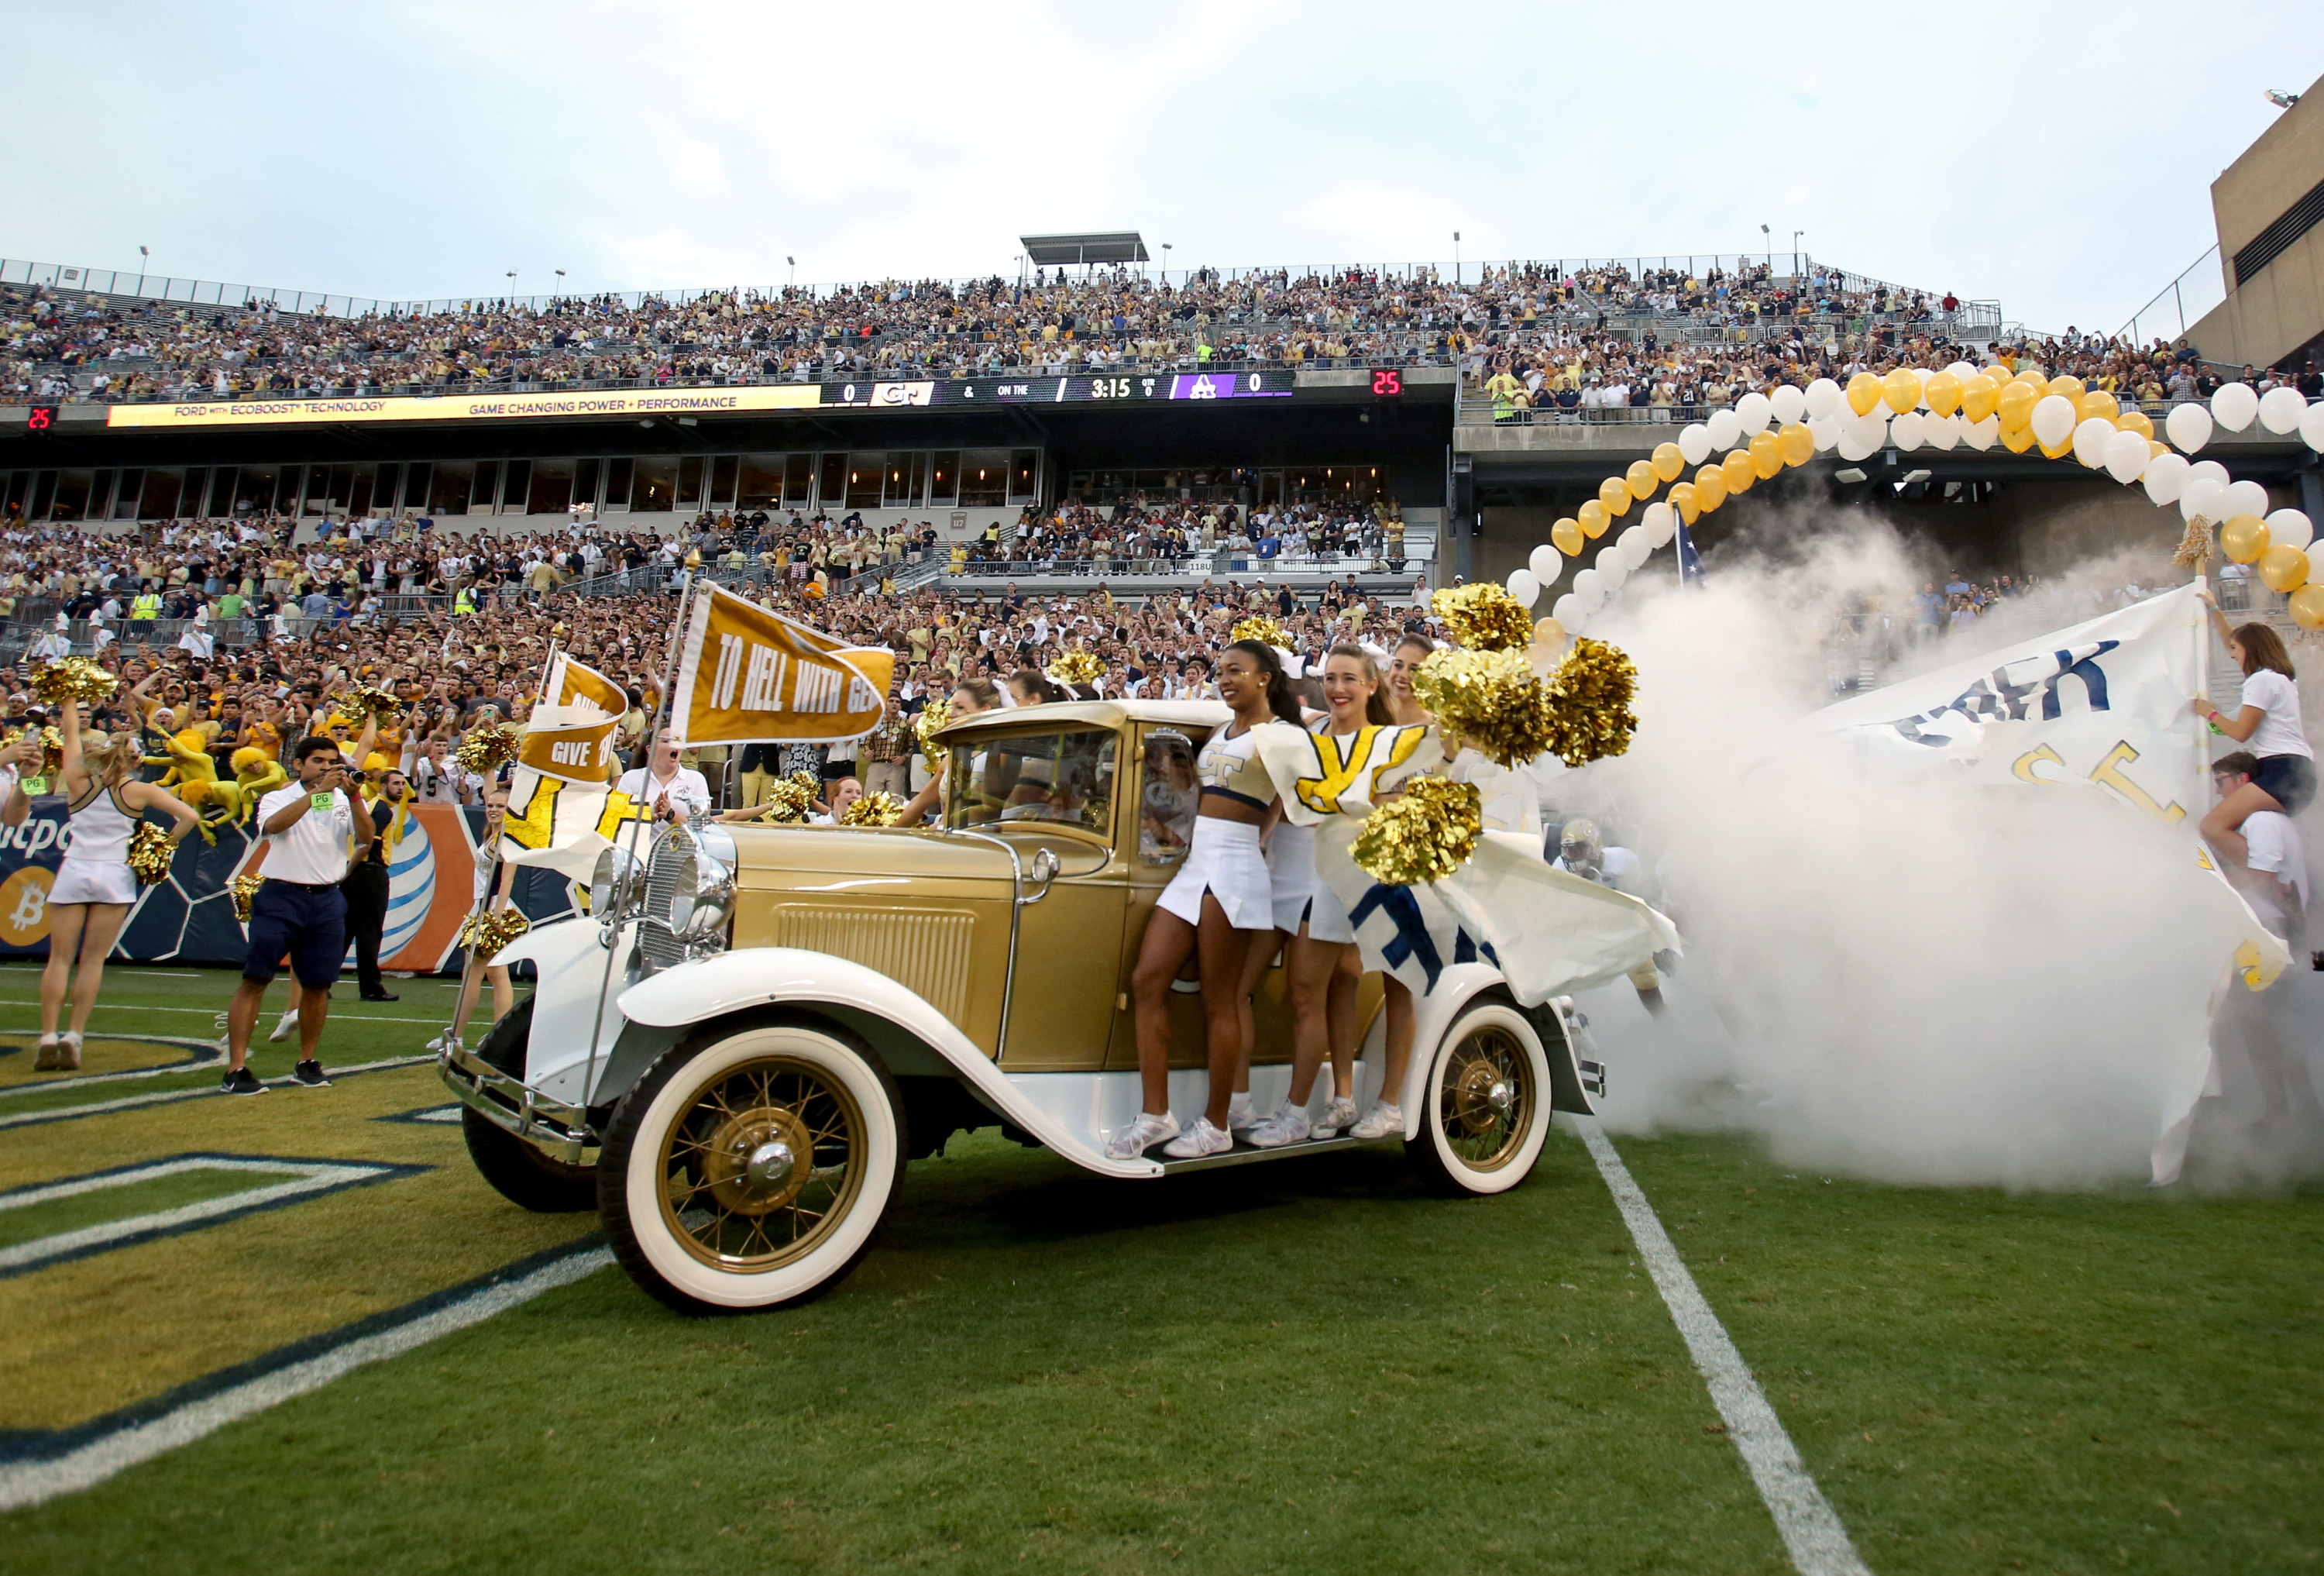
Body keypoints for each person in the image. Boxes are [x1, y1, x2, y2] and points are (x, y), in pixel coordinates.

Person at [1109, 640, 1302, 1160]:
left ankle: (1217, 1124)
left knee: (1221, 999)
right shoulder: (1222, 730)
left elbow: (1301, 791)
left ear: (1265, 678)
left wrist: (1264, 834)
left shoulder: (1282, 735)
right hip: (1196, 863)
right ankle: (1156, 1114)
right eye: (1221, 671)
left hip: (1235, 868)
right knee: (1147, 980)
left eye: (1236, 671)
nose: (1225, 679)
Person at [1243, 644, 1397, 1148]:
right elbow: (1280, 794)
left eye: (1349, 679)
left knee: (1306, 995)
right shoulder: (1310, 731)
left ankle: (1294, 1115)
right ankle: (1253, 1103)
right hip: (1284, 874)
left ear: (1371, 685)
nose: (1337, 688)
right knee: (1256, 989)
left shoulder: (1383, 747)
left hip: (1332, 880)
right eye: (1330, 678)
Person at [35, 693, 200, 1071]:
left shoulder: (77, 779)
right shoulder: (141, 791)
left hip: (75, 869)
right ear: (136, 760)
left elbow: (70, 732)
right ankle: (74, 1036)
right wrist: (159, 848)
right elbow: (190, 816)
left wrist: (71, 700)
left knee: (59, 959)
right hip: (114, 874)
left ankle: (48, 1036)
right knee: (93, 960)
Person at [220, 735, 369, 1095]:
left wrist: (353, 797)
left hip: (326, 899)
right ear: (299, 764)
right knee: (256, 978)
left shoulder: (342, 800)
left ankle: (306, 1062)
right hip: (281, 895)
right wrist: (318, 792)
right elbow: (273, 827)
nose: (326, 768)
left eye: (331, 761)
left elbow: (366, 837)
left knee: (318, 985)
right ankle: (236, 1068)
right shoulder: (278, 797)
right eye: (318, 761)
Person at [2195, 601, 2314, 864]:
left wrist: (2210, 714)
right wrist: (2214, 610)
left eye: (2236, 650)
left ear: (2250, 648)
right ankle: (2268, 880)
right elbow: (2233, 641)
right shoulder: (2279, 678)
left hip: (2283, 771)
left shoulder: (2261, 680)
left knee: (2212, 826)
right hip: (2295, 771)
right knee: (2224, 826)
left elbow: (2240, 733)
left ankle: (2266, 881)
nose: (2232, 655)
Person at [340, 762, 406, 1002]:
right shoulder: (381, 809)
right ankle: (370, 988)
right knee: (369, 932)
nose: (401, 788)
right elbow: (366, 843)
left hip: (358, 873)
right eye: (396, 784)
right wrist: (348, 871)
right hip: (368, 873)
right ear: (382, 786)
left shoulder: (372, 806)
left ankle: (321, 981)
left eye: (403, 784)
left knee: (347, 930)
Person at [614, 731, 711, 824]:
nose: (674, 745)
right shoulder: (631, 777)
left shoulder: (696, 779)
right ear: (650, 749)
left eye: (677, 741)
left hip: (682, 836)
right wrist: (650, 819)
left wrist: (670, 815)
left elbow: (701, 826)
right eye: (666, 741)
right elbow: (619, 821)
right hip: (644, 836)